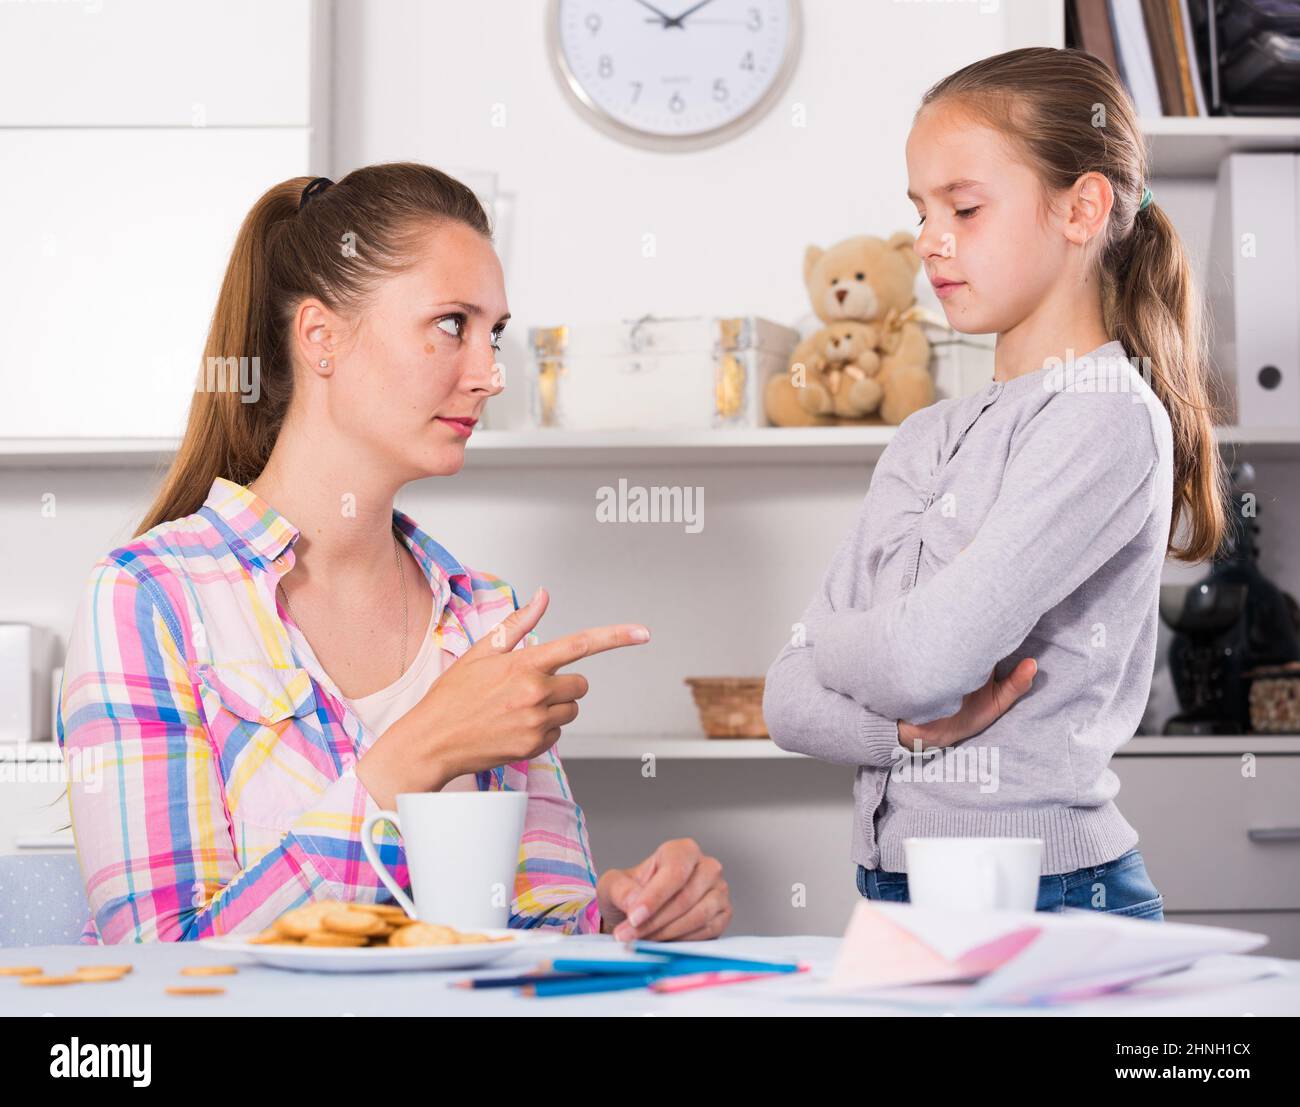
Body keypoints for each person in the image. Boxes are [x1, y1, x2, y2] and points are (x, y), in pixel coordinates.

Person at [58, 164, 732, 944]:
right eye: (452, 324)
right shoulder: (150, 599)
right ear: (321, 337)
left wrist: (619, 915)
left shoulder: (486, 612)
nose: (488, 376)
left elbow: (522, 928)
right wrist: (415, 753)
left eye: (495, 335)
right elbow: (162, 967)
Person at [764, 47, 1229, 920]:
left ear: (1082, 207)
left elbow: (921, 659)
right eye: (920, 210)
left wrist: (838, 644)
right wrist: (899, 726)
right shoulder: (923, 435)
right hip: (896, 890)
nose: (929, 240)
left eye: (965, 208)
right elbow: (785, 697)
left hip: (1045, 895)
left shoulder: (1105, 416)